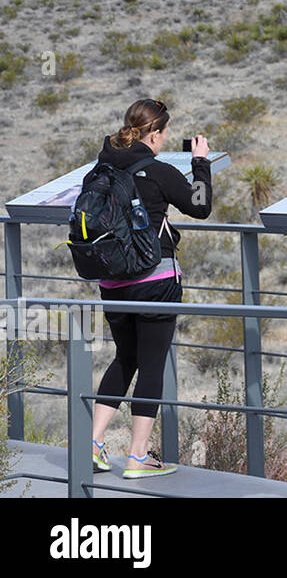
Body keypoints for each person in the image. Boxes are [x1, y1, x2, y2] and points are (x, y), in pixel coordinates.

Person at [90, 98, 213, 479]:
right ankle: (137, 456)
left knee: (125, 357)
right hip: (154, 280)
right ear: (155, 134)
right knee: (152, 364)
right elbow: (201, 205)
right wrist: (201, 163)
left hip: (111, 280)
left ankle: (90, 446)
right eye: (163, 135)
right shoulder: (157, 171)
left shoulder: (102, 166)